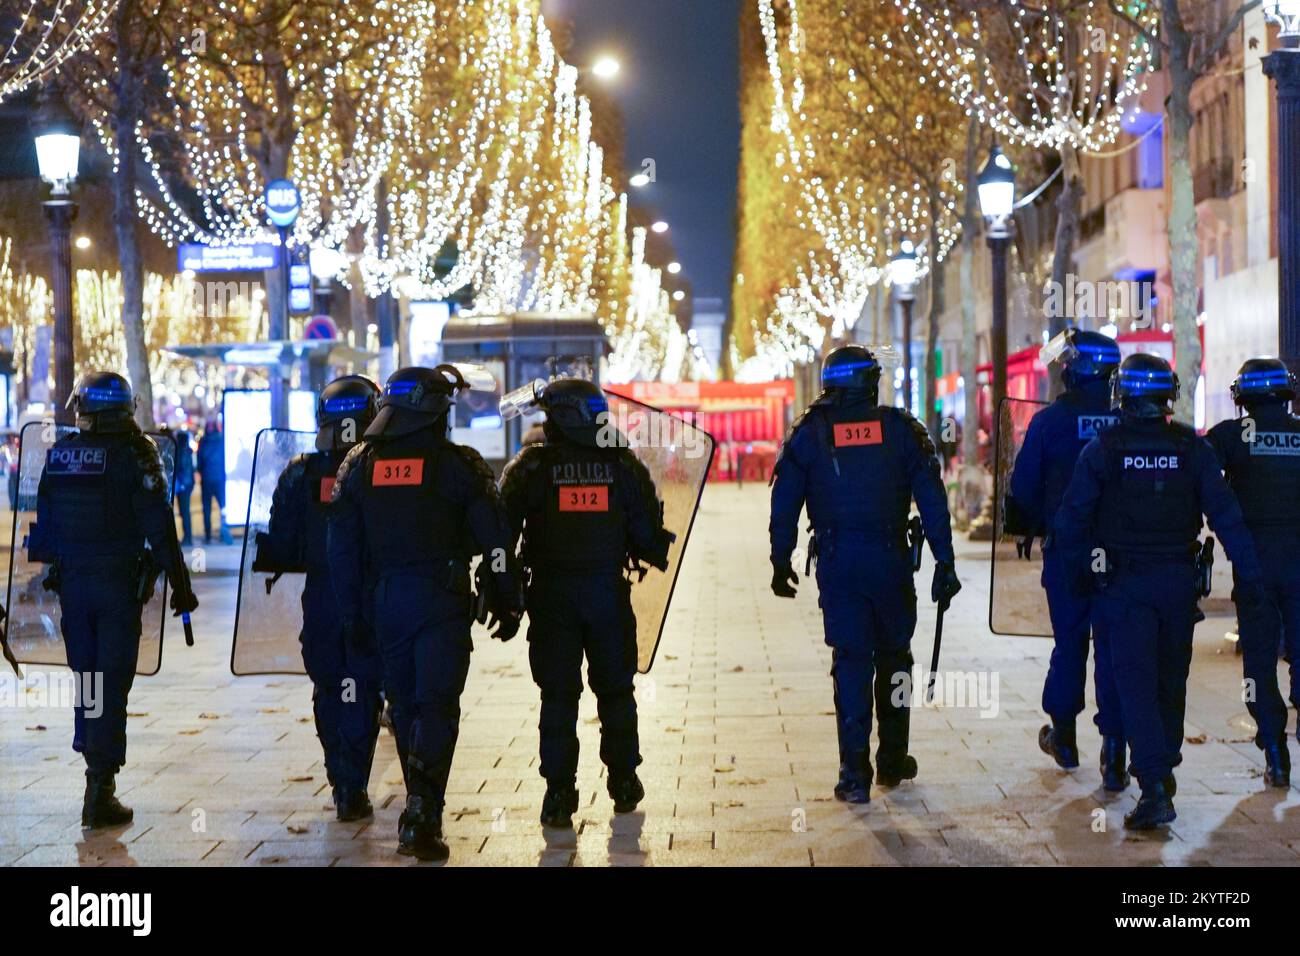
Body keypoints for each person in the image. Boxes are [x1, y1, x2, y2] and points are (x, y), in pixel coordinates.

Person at [1054, 353, 1265, 830]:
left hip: (1124, 587)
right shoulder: (1192, 449)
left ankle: (1153, 788)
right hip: (1177, 584)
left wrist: (1074, 584)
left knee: (1135, 687)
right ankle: (1163, 771)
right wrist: (1251, 576)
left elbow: (1071, 523)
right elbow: (1226, 516)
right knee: (1171, 683)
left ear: (1122, 396)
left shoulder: (1103, 449)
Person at [327, 366, 523, 861]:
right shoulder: (461, 466)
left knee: (408, 706)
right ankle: (422, 814)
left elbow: (342, 552)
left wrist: (351, 615)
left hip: (385, 603)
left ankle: (419, 807)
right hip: (441, 601)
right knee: (436, 705)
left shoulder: (358, 465)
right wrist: (506, 593)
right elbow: (496, 542)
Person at [768, 345, 960, 804]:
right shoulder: (900, 429)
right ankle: (893, 760)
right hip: (891, 560)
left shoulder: (809, 434)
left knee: (851, 660)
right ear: (871, 383)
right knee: (895, 657)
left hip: (839, 562)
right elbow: (932, 500)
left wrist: (781, 560)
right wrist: (945, 562)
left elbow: (784, 504)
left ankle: (853, 772)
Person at [498, 379, 675, 829]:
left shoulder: (532, 467)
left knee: (558, 695)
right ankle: (623, 780)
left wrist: (502, 590)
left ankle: (558, 794)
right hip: (606, 596)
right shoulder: (621, 465)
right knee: (615, 689)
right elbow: (649, 535)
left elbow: (499, 532)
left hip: (551, 597)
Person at [27, 372, 198, 829]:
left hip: (74, 589)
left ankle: (95, 774)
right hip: (117, 588)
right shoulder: (137, 453)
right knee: (111, 682)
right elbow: (159, 527)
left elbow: (44, 528)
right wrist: (181, 586)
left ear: (84, 407)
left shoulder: (61, 454)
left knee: (88, 681)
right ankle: (100, 786)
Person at [256, 376, 385, 820]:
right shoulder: (379, 466)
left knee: (330, 687)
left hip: (324, 598)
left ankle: (343, 782)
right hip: (370, 596)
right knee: (364, 687)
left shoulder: (300, 472)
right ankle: (358, 782)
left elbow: (280, 541)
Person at [1004, 329, 1128, 789]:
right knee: (1114, 649)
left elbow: (1022, 490)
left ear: (1076, 370)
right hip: (1120, 558)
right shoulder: (1126, 423)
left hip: (1068, 554)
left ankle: (1066, 737)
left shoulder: (1049, 423)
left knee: (1070, 643)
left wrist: (1033, 525)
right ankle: (1114, 753)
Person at [1206, 357, 1298, 787]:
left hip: (1255, 568)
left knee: (1258, 663)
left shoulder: (1228, 436)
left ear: (1242, 396)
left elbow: (1195, 481)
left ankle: (1274, 748)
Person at [196, 419, 233, 544]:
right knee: (223, 507)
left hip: (207, 479)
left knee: (207, 509)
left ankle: (208, 536)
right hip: (219, 479)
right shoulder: (221, 441)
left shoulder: (203, 442)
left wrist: (202, 472)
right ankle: (224, 533)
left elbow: (199, 462)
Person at [172, 423, 196, 546]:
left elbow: (181, 469)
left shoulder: (181, 451)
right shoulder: (187, 451)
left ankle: (188, 537)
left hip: (183, 486)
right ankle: (188, 536)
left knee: (184, 512)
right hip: (187, 485)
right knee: (184, 512)